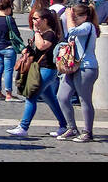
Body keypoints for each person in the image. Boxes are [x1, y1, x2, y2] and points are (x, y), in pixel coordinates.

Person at [8, 9, 67, 139]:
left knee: (31, 96)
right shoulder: (42, 33)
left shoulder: (50, 34)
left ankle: (23, 127)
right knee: (50, 99)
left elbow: (41, 46)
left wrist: (36, 32)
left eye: (36, 18)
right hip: (40, 68)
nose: (33, 21)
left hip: (47, 69)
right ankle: (64, 125)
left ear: (45, 20)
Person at [56, 3, 101, 142]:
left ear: (85, 16)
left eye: (76, 17)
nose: (73, 19)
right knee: (62, 96)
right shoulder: (79, 26)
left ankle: (88, 132)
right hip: (72, 67)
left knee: (84, 99)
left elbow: (71, 31)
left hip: (86, 68)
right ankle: (72, 127)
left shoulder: (88, 26)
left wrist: (69, 17)